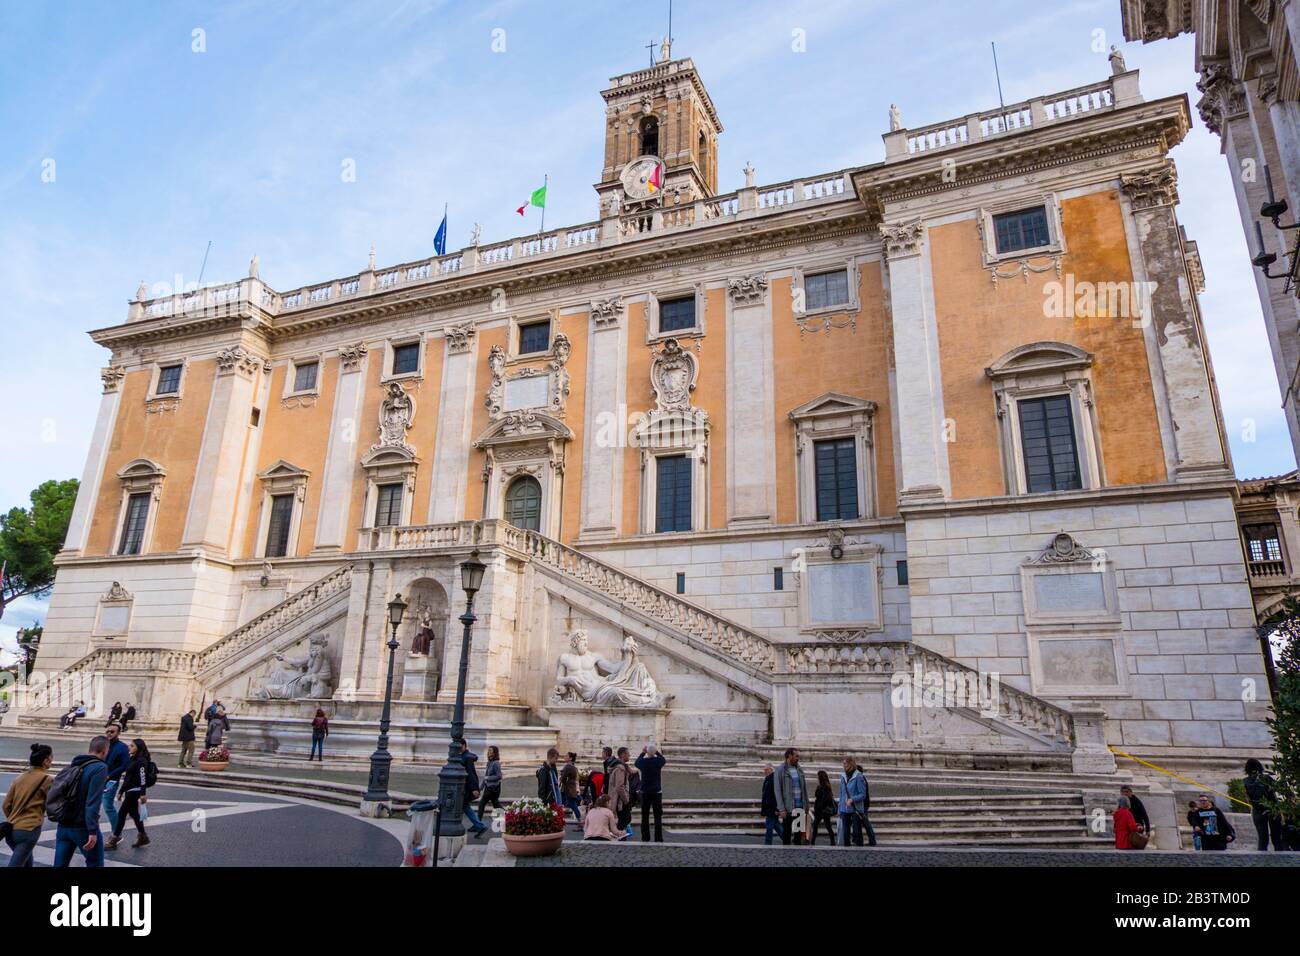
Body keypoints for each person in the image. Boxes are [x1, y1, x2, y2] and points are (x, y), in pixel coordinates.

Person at [52, 735, 110, 868]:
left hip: (64, 825)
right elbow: (92, 803)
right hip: (82, 826)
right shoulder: (100, 767)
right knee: (95, 863)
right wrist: (92, 831)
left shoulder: (75, 764)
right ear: (105, 751)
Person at [3, 743, 53, 867]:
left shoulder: (20, 778)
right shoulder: (47, 779)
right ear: (45, 760)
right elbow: (52, 803)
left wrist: (14, 817)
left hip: (11, 829)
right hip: (29, 829)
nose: (52, 760)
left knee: (27, 863)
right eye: (51, 757)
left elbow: (6, 805)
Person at [105, 738, 152, 850]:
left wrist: (143, 793)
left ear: (138, 748)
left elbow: (143, 777)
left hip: (135, 791)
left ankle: (114, 839)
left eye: (132, 746)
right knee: (134, 814)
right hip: (129, 790)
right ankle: (143, 836)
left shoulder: (141, 761)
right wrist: (121, 791)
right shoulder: (132, 759)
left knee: (122, 813)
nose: (129, 747)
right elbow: (127, 778)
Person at [1244, 758, 1285, 851]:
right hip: (1272, 808)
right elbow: (1278, 789)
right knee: (1277, 838)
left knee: (1262, 839)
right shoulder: (1266, 778)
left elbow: (1247, 799)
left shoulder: (1245, 781)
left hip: (1257, 811)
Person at [773, 748, 808, 846]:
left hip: (799, 806)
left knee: (798, 835)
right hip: (788, 808)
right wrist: (781, 808)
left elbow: (804, 789)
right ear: (789, 756)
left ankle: (797, 857)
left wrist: (806, 805)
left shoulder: (799, 769)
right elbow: (777, 790)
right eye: (796, 756)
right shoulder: (780, 770)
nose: (798, 758)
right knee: (787, 834)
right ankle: (786, 856)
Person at [100, 723, 130, 833]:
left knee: (108, 806)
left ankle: (116, 833)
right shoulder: (103, 744)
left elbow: (125, 765)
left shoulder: (122, 747)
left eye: (112, 732)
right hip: (99, 779)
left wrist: (110, 775)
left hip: (111, 781)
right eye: (107, 731)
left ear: (118, 733)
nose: (109, 733)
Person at [635, 743, 666, 843]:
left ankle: (645, 837)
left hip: (645, 792)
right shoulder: (658, 761)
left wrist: (643, 752)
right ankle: (658, 838)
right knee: (657, 816)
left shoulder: (643, 762)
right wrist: (656, 751)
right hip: (656, 792)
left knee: (645, 816)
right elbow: (663, 759)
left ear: (647, 753)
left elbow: (636, 762)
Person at [837, 757, 869, 847]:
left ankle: (859, 848)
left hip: (855, 808)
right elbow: (841, 793)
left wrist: (852, 799)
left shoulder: (858, 776)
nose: (843, 766)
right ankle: (847, 849)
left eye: (845, 764)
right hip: (844, 808)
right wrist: (839, 807)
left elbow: (863, 794)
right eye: (843, 764)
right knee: (845, 831)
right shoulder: (843, 776)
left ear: (850, 764)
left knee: (857, 831)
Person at [460, 741, 488, 836]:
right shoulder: (465, 756)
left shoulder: (467, 758)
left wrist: (474, 789)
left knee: (463, 805)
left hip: (466, 787)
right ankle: (479, 825)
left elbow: (471, 774)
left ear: (464, 746)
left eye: (460, 745)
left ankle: (479, 825)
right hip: (465, 787)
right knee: (464, 806)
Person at [608, 747, 634, 835]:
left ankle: (619, 834)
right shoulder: (620, 768)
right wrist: (626, 799)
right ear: (623, 755)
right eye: (628, 754)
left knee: (625, 818)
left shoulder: (622, 766)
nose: (629, 755)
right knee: (625, 818)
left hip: (620, 797)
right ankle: (618, 835)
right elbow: (619, 786)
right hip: (620, 799)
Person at [810, 769, 837, 845]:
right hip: (823, 810)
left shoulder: (824, 787)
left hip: (822, 811)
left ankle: (813, 842)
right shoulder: (826, 786)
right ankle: (832, 842)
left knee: (817, 826)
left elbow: (825, 799)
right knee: (826, 826)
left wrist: (820, 806)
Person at [477, 746, 503, 819]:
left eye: (490, 751)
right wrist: (480, 788)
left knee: (482, 804)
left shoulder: (496, 763)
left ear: (495, 753)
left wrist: (488, 778)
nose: (488, 752)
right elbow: (485, 776)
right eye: (488, 751)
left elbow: (499, 776)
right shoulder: (489, 763)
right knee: (496, 805)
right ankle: (508, 817)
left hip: (493, 788)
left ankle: (478, 824)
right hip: (489, 787)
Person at [560, 752, 582, 824]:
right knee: (568, 803)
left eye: (566, 756)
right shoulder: (573, 767)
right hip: (570, 788)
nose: (565, 757)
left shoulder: (568, 767)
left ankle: (579, 819)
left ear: (570, 758)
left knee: (572, 804)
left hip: (568, 789)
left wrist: (562, 778)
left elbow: (563, 777)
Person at [760, 764, 779, 845]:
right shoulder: (768, 779)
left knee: (769, 826)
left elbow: (775, 795)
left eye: (766, 770)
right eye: (764, 770)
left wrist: (777, 808)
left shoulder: (773, 780)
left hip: (771, 807)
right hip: (769, 807)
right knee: (776, 825)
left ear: (771, 770)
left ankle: (768, 842)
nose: (765, 772)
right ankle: (786, 838)